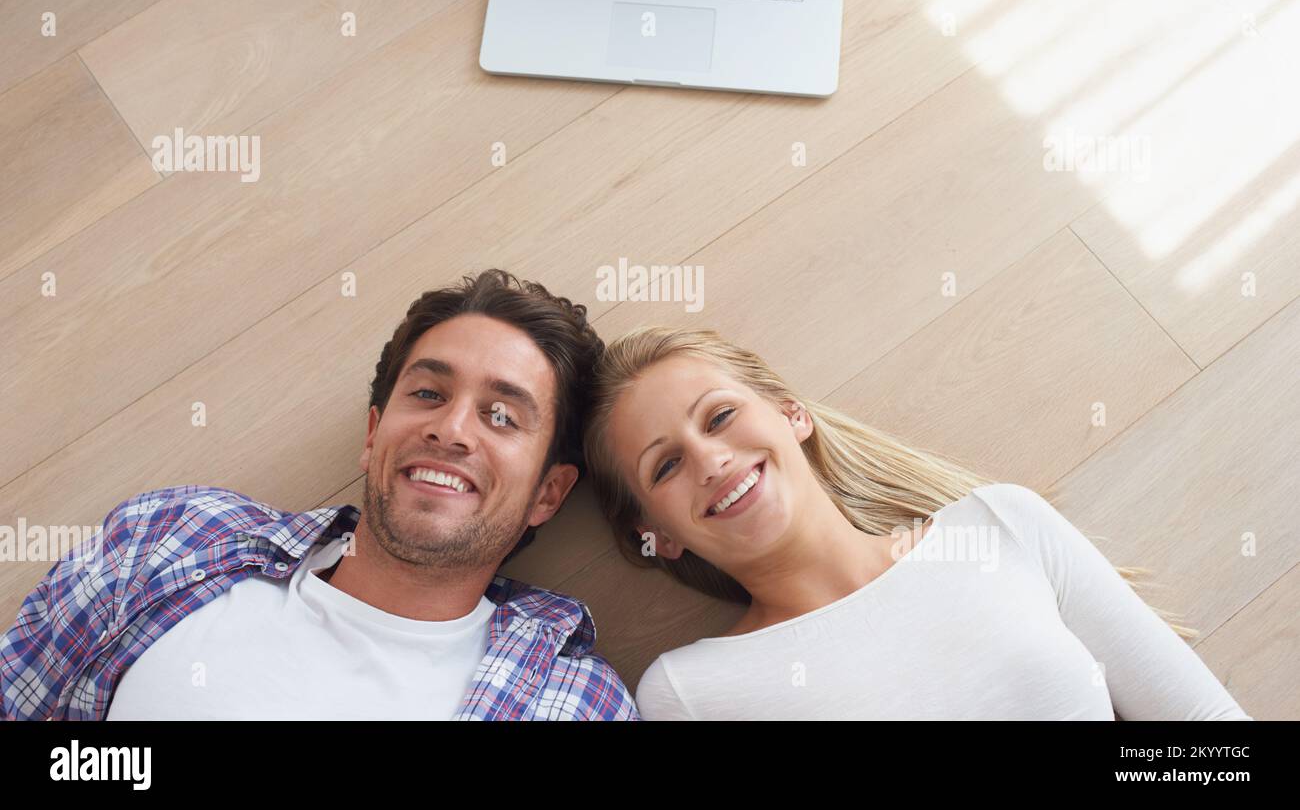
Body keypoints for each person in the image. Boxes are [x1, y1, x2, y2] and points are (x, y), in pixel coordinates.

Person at [0, 270, 638, 720]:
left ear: (548, 494)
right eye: (427, 394)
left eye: (501, 415)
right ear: (373, 434)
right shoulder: (171, 537)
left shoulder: (573, 705)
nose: (450, 428)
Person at [580, 325, 1251, 720]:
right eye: (665, 465)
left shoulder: (1000, 524)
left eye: (720, 416)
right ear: (657, 533)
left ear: (792, 414)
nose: (711, 459)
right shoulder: (690, 693)